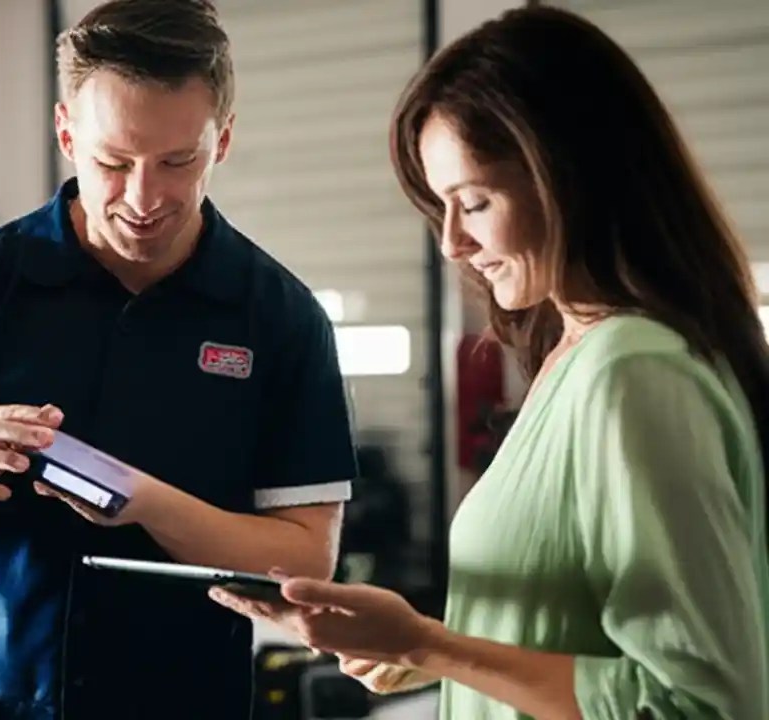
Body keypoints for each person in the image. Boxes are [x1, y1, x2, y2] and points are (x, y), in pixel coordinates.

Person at [211, 6, 769, 719]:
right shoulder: (574, 357)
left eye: (473, 202)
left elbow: (697, 703)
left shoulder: (633, 373)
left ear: (568, 175)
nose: (450, 243)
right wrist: (417, 644)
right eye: (440, 207)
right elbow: (574, 638)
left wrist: (427, 648)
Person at [0, 1, 357, 718]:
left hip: (182, 701)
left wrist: (143, 503)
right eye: (112, 162)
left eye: (179, 162)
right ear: (66, 133)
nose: (143, 199)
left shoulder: (279, 317)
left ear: (224, 140)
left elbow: (306, 561)